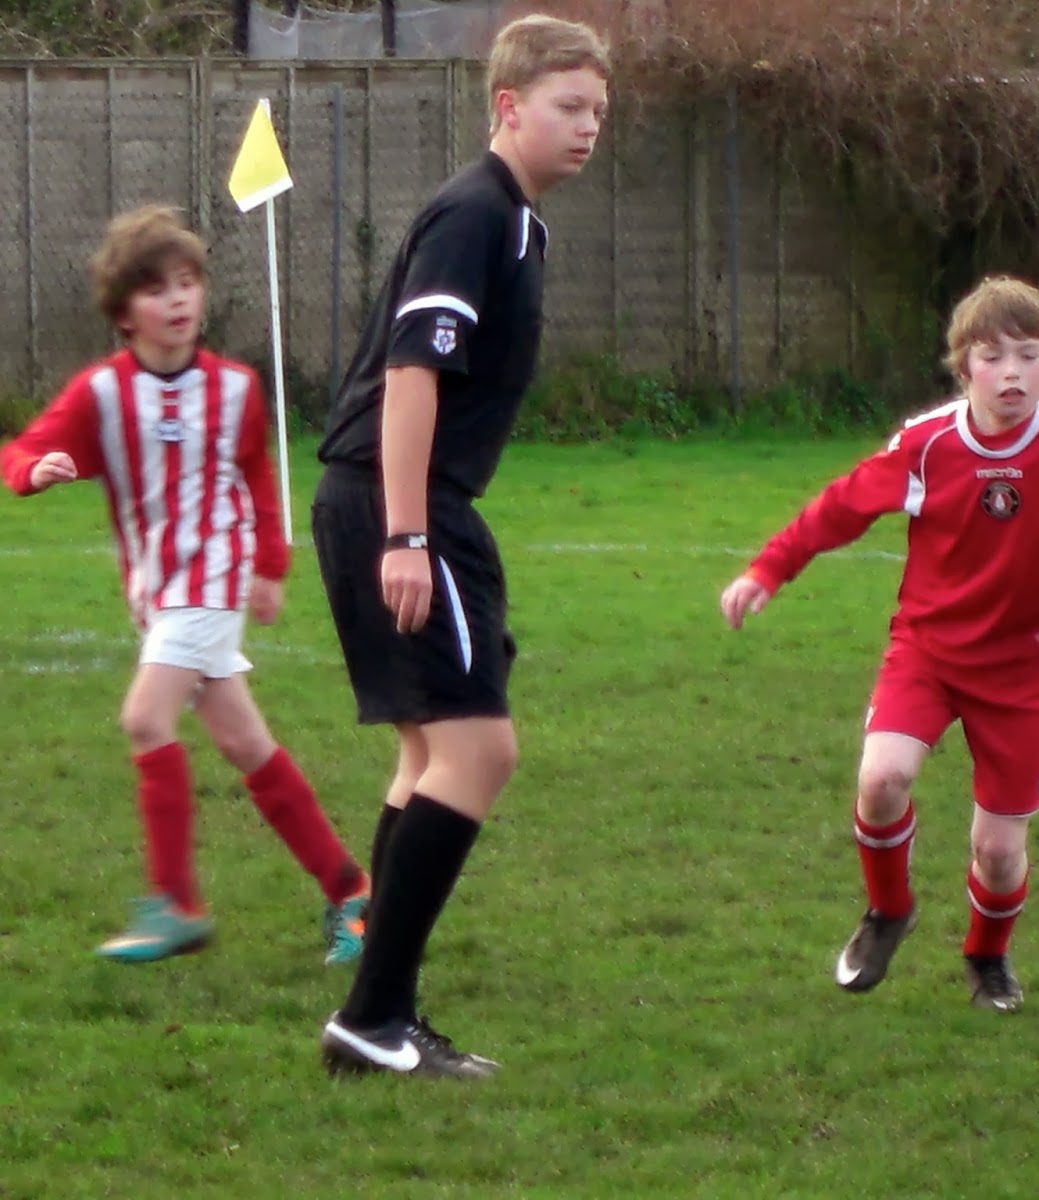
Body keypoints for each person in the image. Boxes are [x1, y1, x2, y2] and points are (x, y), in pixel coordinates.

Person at [311, 15, 609, 1079]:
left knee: (427, 757)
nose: (587, 128)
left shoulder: (519, 224)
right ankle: (372, 1016)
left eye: (598, 113)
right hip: (404, 506)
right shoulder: (472, 213)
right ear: (508, 107)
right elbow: (410, 376)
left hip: (419, 508)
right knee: (481, 753)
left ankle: (377, 1012)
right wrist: (403, 532)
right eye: (569, 108)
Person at [720, 275, 1039, 1014]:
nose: (1011, 373)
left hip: (1023, 673)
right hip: (930, 652)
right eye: (991, 357)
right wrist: (769, 568)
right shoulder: (928, 445)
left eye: (1028, 355)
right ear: (963, 368)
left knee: (1000, 852)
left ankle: (988, 958)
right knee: (881, 778)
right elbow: (841, 507)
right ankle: (888, 911)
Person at [0, 205, 370, 965]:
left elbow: (257, 475)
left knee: (145, 717)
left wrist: (269, 564)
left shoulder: (235, 389)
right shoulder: (100, 394)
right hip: (158, 591)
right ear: (123, 312)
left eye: (189, 282)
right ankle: (350, 890)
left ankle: (177, 901)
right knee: (244, 742)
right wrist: (36, 473)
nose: (178, 300)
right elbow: (23, 452)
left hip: (211, 574)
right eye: (157, 288)